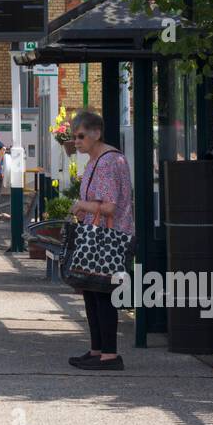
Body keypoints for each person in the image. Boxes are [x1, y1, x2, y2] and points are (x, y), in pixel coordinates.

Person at [67, 110, 134, 371]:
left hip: (110, 238)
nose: (77, 141)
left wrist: (80, 205)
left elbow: (109, 207)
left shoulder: (108, 162)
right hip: (98, 236)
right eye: (74, 137)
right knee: (91, 292)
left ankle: (109, 354)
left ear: (96, 133)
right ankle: (97, 349)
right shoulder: (95, 160)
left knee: (102, 293)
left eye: (81, 136)